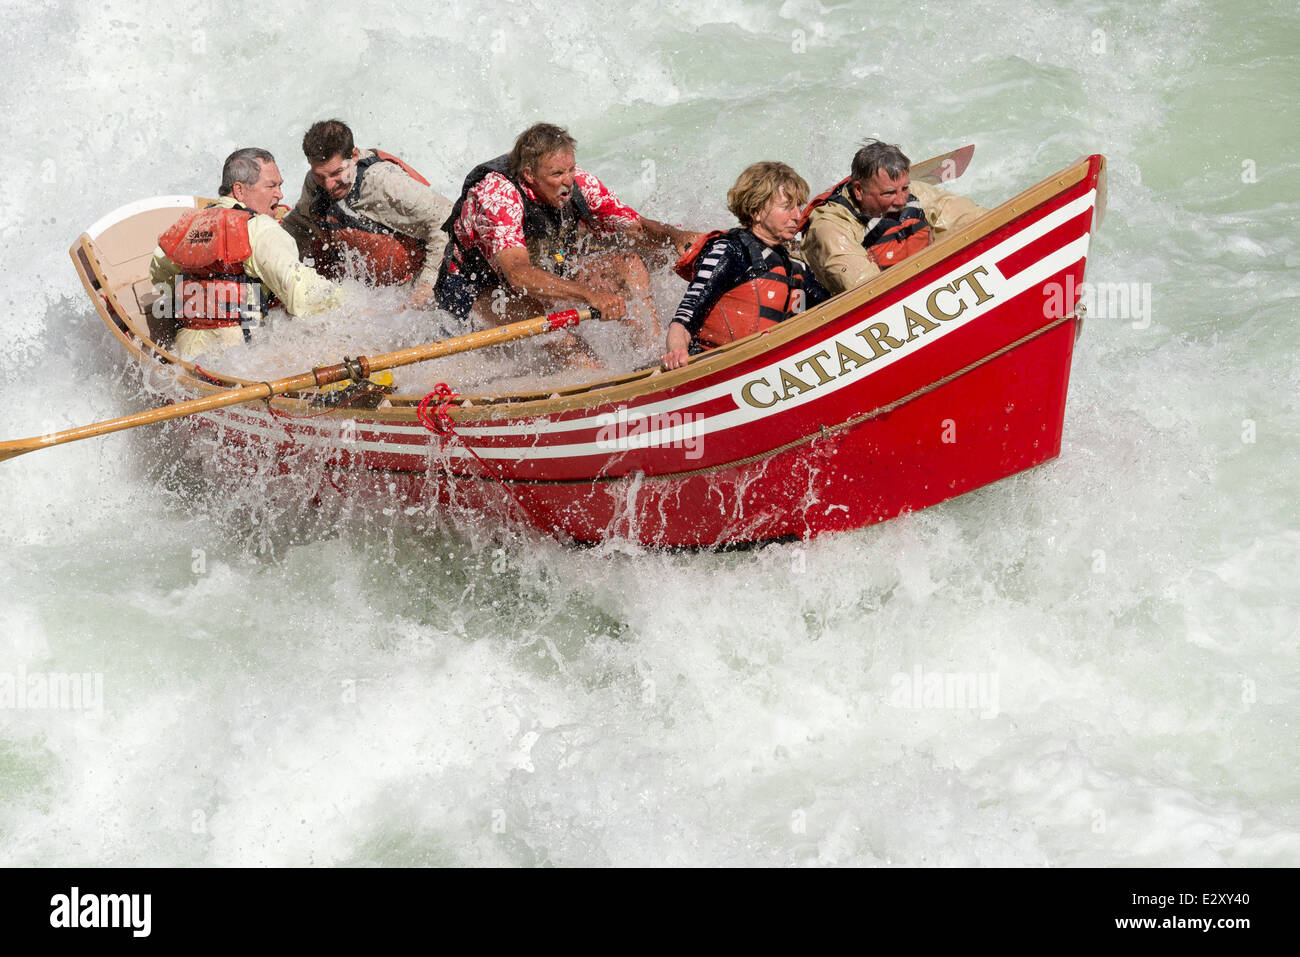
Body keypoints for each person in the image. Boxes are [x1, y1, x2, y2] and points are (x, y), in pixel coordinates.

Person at [436, 122, 698, 337]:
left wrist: (678, 237)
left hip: (544, 268)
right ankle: (592, 373)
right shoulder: (498, 196)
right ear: (529, 175)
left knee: (629, 264)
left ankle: (652, 350)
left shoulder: (578, 181)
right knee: (555, 328)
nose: (569, 181)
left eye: (571, 169)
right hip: (478, 291)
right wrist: (589, 294)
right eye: (558, 174)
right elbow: (517, 274)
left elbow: (637, 228)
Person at [150, 148, 345, 362]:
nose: (279, 194)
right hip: (241, 364)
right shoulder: (259, 229)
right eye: (271, 186)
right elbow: (303, 293)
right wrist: (354, 305)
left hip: (187, 360)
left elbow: (161, 279)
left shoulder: (186, 227)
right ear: (240, 190)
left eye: (280, 185)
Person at [662, 162, 830, 370]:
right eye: (787, 207)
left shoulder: (796, 266)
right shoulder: (729, 250)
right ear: (757, 210)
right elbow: (684, 319)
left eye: (799, 207)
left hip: (769, 368)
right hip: (715, 367)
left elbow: (829, 313)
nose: (797, 216)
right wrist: (676, 352)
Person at [282, 119, 453, 310]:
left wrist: (426, 285)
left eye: (337, 173)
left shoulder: (384, 182)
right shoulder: (314, 184)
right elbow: (298, 225)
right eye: (321, 175)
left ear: (354, 156)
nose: (329, 185)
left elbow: (445, 219)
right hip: (370, 290)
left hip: (418, 282)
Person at [800, 139, 987, 294]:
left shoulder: (910, 194)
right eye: (888, 193)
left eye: (904, 188)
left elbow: (971, 218)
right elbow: (866, 290)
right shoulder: (830, 228)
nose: (900, 201)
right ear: (859, 190)